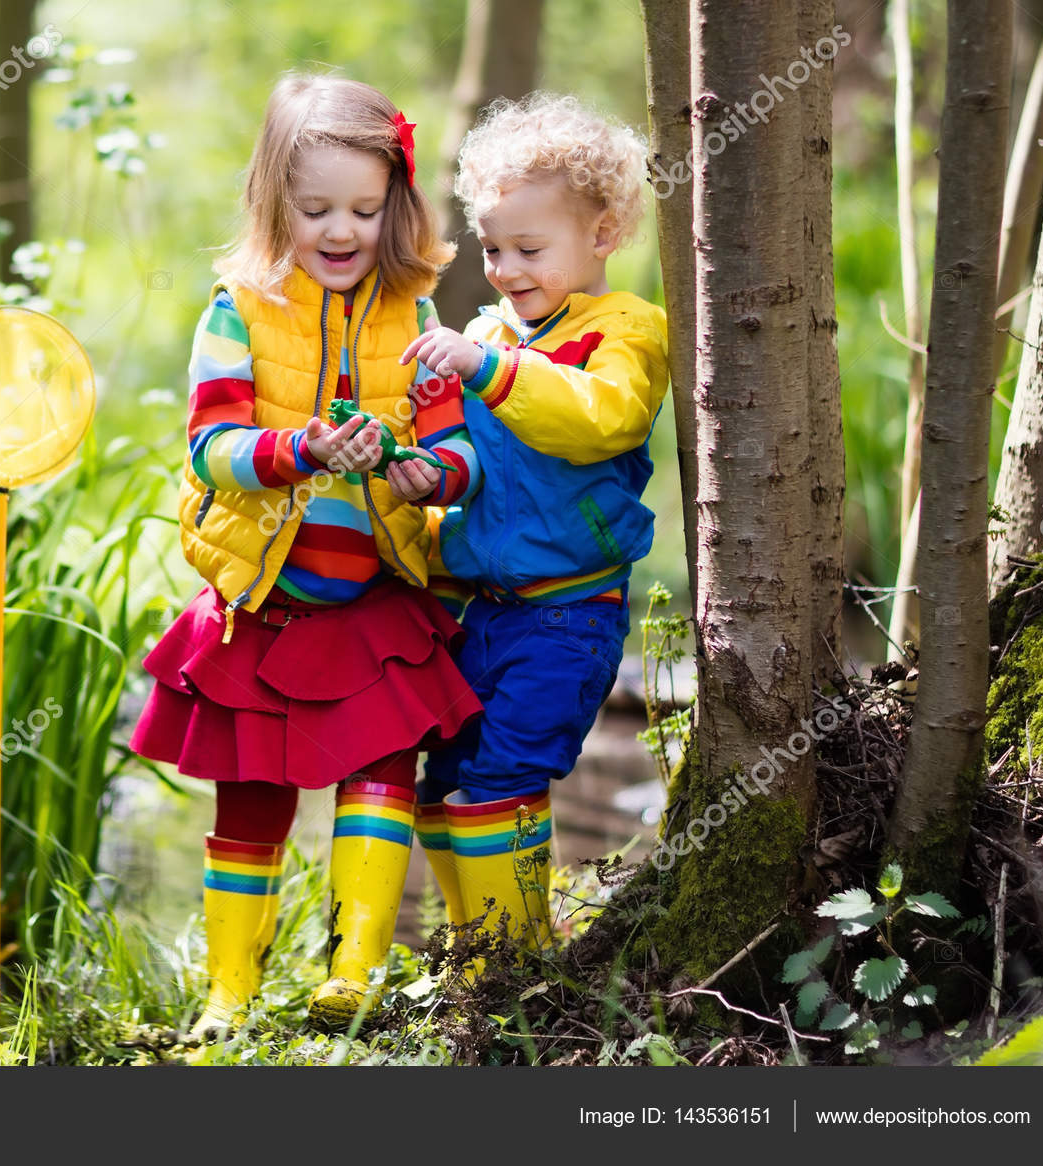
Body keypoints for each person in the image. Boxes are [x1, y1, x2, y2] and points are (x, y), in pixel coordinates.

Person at [129, 73, 483, 1038]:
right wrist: (302, 452)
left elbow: (456, 449)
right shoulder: (238, 309)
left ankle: (352, 971)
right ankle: (227, 994)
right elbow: (212, 448)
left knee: (383, 770)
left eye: (365, 210)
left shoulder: (411, 318)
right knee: (250, 796)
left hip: (373, 601)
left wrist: (427, 477)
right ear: (271, 202)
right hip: (261, 598)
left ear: (396, 208)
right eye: (316, 208)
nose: (341, 231)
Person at [400, 92, 670, 960]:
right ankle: (479, 943)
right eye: (492, 249)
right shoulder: (486, 332)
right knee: (444, 781)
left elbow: (600, 422)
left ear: (602, 235)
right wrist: (427, 476)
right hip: (479, 605)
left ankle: (510, 959)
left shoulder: (621, 331)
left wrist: (487, 365)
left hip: (568, 612)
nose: (507, 268)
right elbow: (471, 459)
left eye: (530, 248)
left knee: (505, 774)